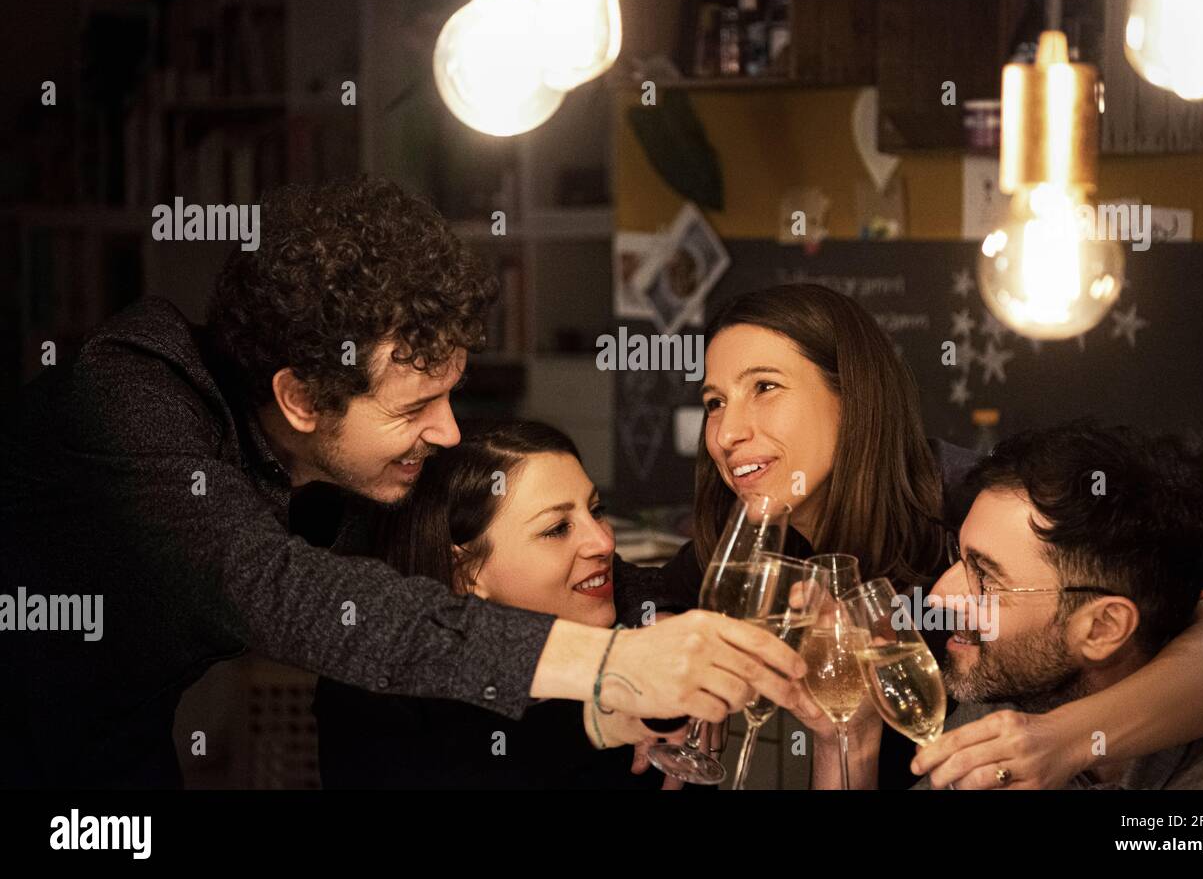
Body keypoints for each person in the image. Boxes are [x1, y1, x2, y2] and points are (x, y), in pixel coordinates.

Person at [0, 177, 805, 787]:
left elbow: (585, 579)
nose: (450, 430)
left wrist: (766, 599)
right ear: (303, 398)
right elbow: (284, 593)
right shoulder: (128, 408)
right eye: (418, 404)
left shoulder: (337, 461)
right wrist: (607, 668)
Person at [642, 284, 1203, 788]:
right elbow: (659, 598)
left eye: (765, 388)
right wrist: (663, 669)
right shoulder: (749, 536)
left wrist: (1058, 742)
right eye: (715, 401)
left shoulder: (972, 499)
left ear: (854, 396)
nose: (726, 433)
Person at [851, 421, 1203, 790]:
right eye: (959, 557)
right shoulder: (1001, 708)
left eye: (985, 577)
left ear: (1103, 628)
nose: (939, 596)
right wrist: (849, 741)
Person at [314, 421, 680, 789]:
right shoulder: (374, 693)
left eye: (597, 510)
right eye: (557, 529)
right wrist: (592, 726)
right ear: (466, 572)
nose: (603, 541)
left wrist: (662, 621)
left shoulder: (635, 662)